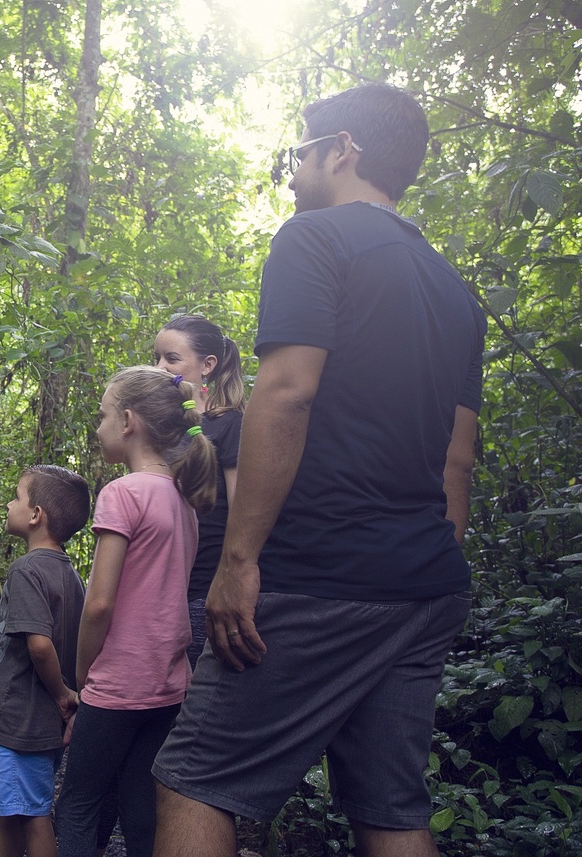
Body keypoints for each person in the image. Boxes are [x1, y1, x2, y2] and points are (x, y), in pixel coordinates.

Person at [152, 84, 486, 857]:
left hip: (322, 573)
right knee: (392, 809)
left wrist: (238, 561)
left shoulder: (314, 240)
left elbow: (289, 392)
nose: (294, 170)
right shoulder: (454, 291)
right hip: (425, 583)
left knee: (194, 778)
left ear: (342, 150)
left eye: (300, 152)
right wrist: (422, 566)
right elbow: (457, 460)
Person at [55, 367, 219, 857]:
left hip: (117, 683)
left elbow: (101, 602)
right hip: (168, 682)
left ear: (128, 421)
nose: (98, 425)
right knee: (139, 803)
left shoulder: (123, 493)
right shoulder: (183, 498)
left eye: (103, 415)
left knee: (78, 804)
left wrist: (84, 676)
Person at [0, 464, 92, 857]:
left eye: (16, 496)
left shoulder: (26, 570)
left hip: (23, 721)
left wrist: (63, 693)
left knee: (33, 816)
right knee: (14, 813)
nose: (9, 503)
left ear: (35, 515)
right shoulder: (70, 575)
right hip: (41, 723)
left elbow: (40, 646)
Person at [153, 315, 245, 667]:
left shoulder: (229, 426)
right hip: (159, 586)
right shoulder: (161, 427)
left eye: (171, 359)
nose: (160, 368)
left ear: (208, 365)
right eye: (157, 358)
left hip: (202, 588)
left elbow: (240, 511)